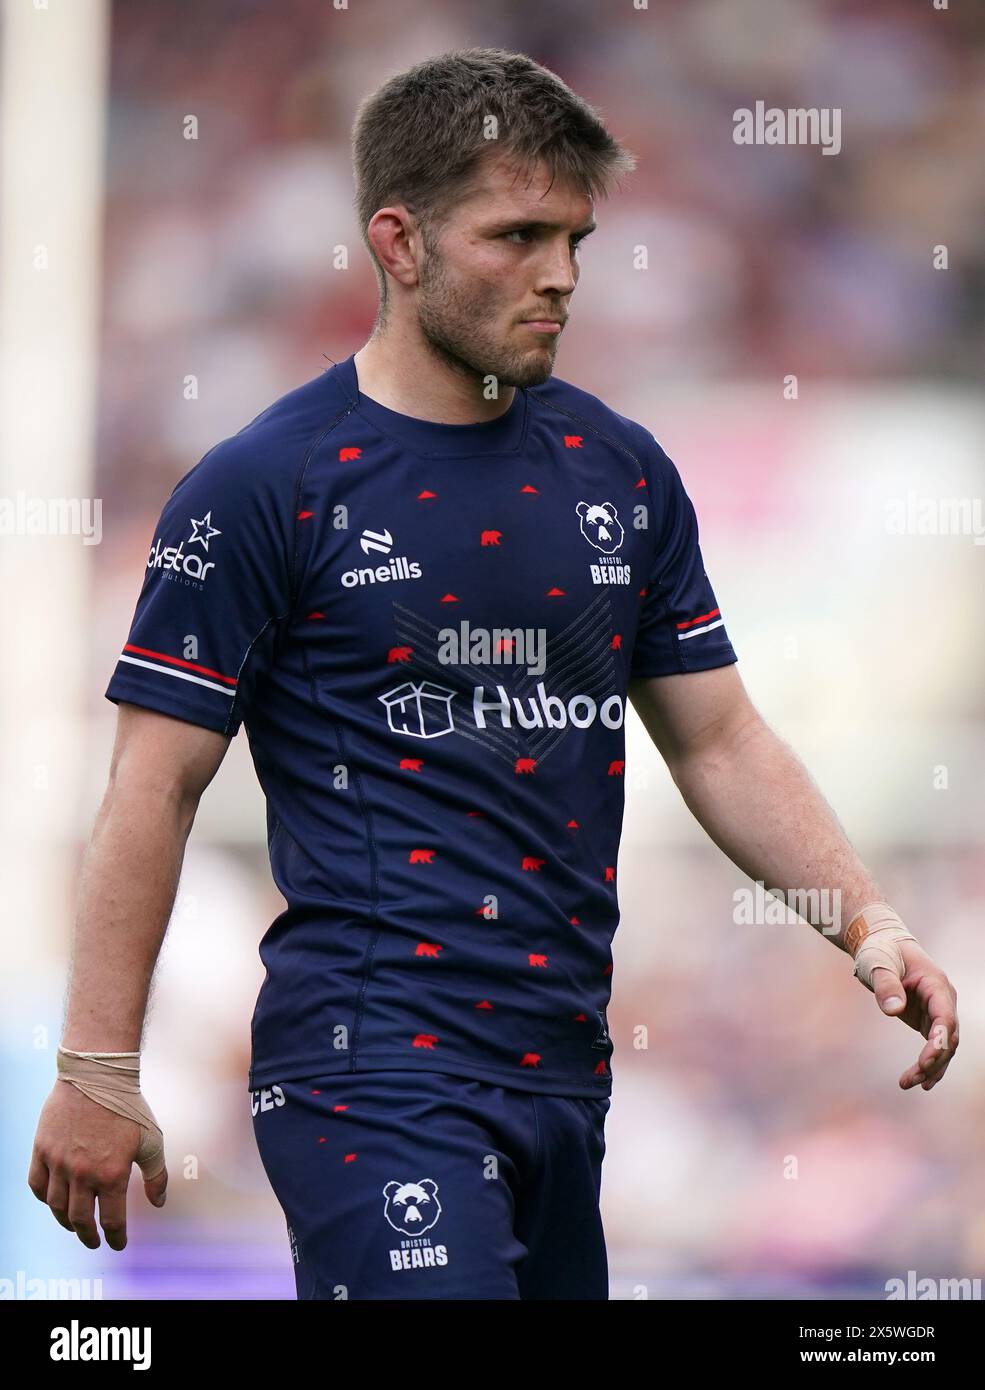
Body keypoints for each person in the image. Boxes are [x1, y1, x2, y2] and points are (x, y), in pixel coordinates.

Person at [28, 47, 959, 1302]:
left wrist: (868, 919)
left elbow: (719, 739)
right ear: (398, 242)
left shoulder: (620, 472)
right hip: (367, 1075)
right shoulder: (263, 486)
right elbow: (153, 786)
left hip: (564, 1076)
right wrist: (98, 1063)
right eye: (518, 235)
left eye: (575, 238)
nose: (561, 276)